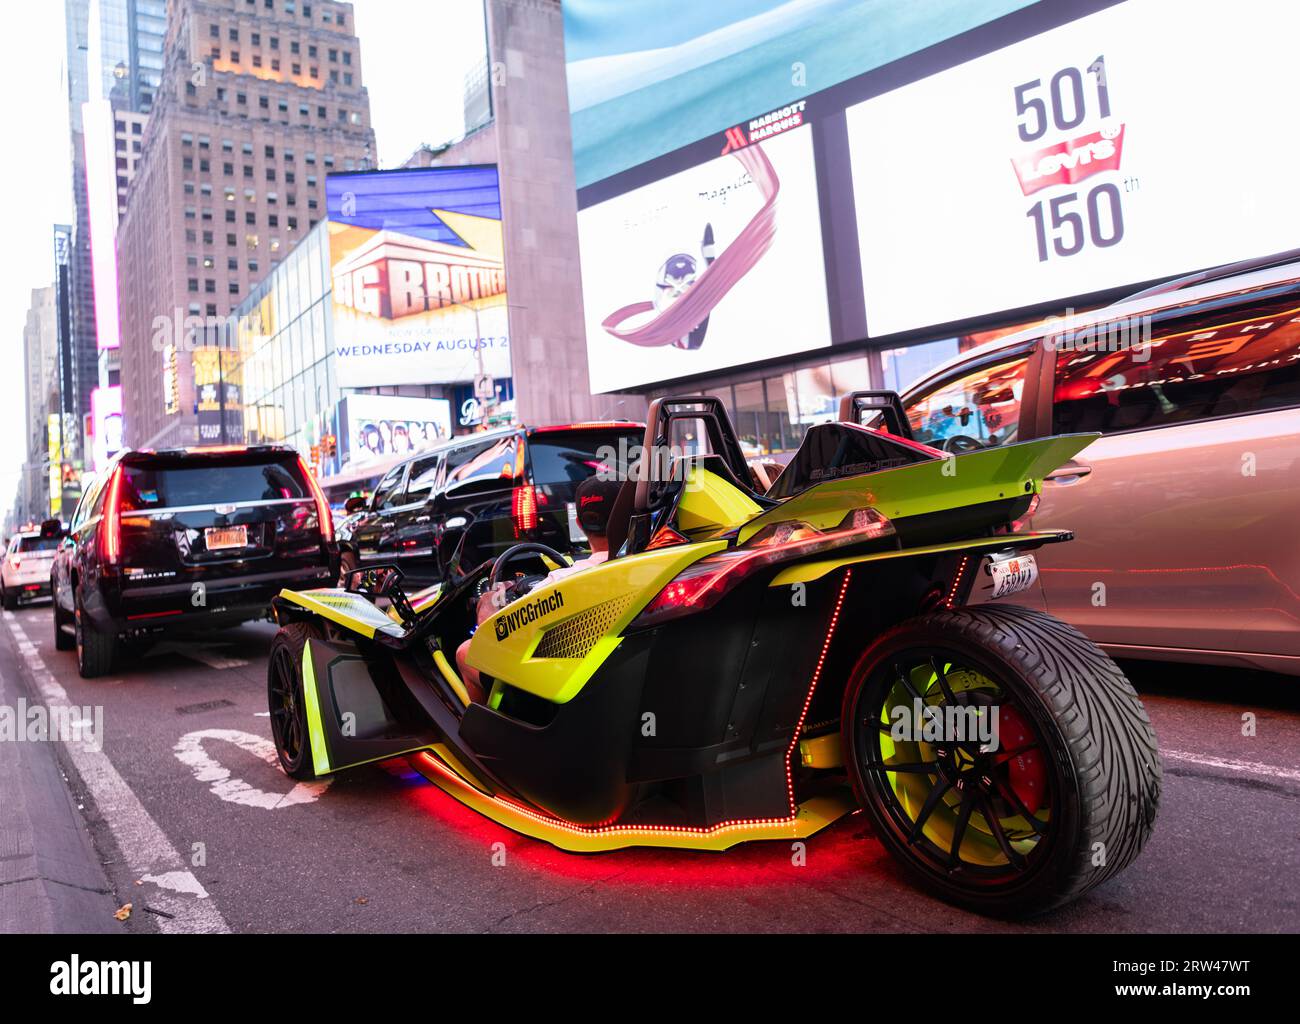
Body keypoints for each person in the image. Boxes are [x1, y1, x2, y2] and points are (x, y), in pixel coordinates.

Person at [455, 474, 622, 702]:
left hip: (562, 687)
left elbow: (494, 641)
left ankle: (487, 735)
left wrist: (486, 607)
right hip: (618, 676)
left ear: (580, 524)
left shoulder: (560, 581)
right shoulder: (653, 563)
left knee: (466, 651)